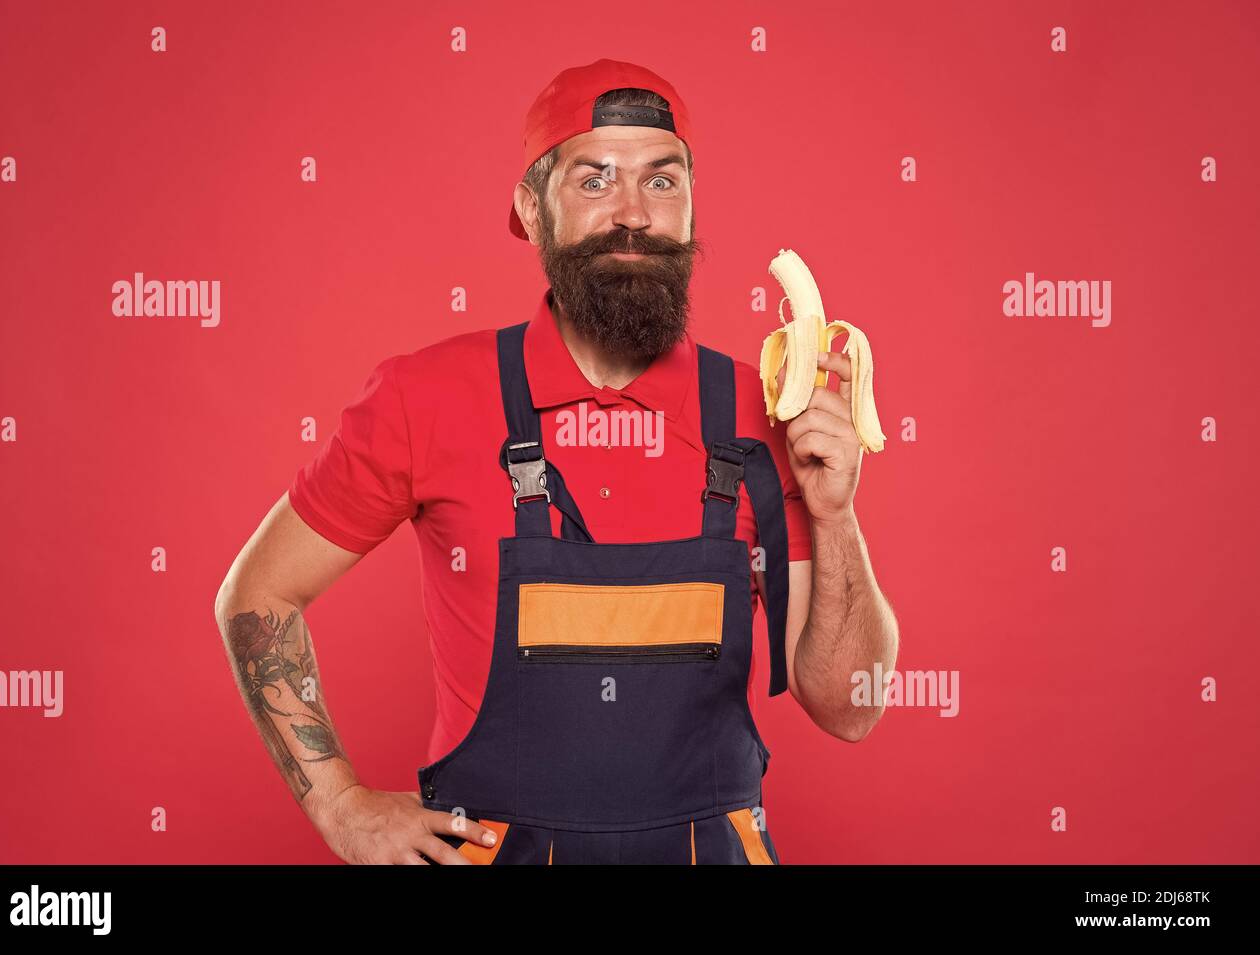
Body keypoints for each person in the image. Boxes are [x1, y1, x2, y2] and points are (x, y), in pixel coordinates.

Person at [214, 58, 899, 865]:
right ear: (532, 209)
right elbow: (257, 594)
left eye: (662, 180)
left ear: (691, 204)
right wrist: (339, 806)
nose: (633, 213)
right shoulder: (423, 397)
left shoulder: (765, 412)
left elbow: (850, 707)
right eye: (594, 179)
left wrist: (835, 511)